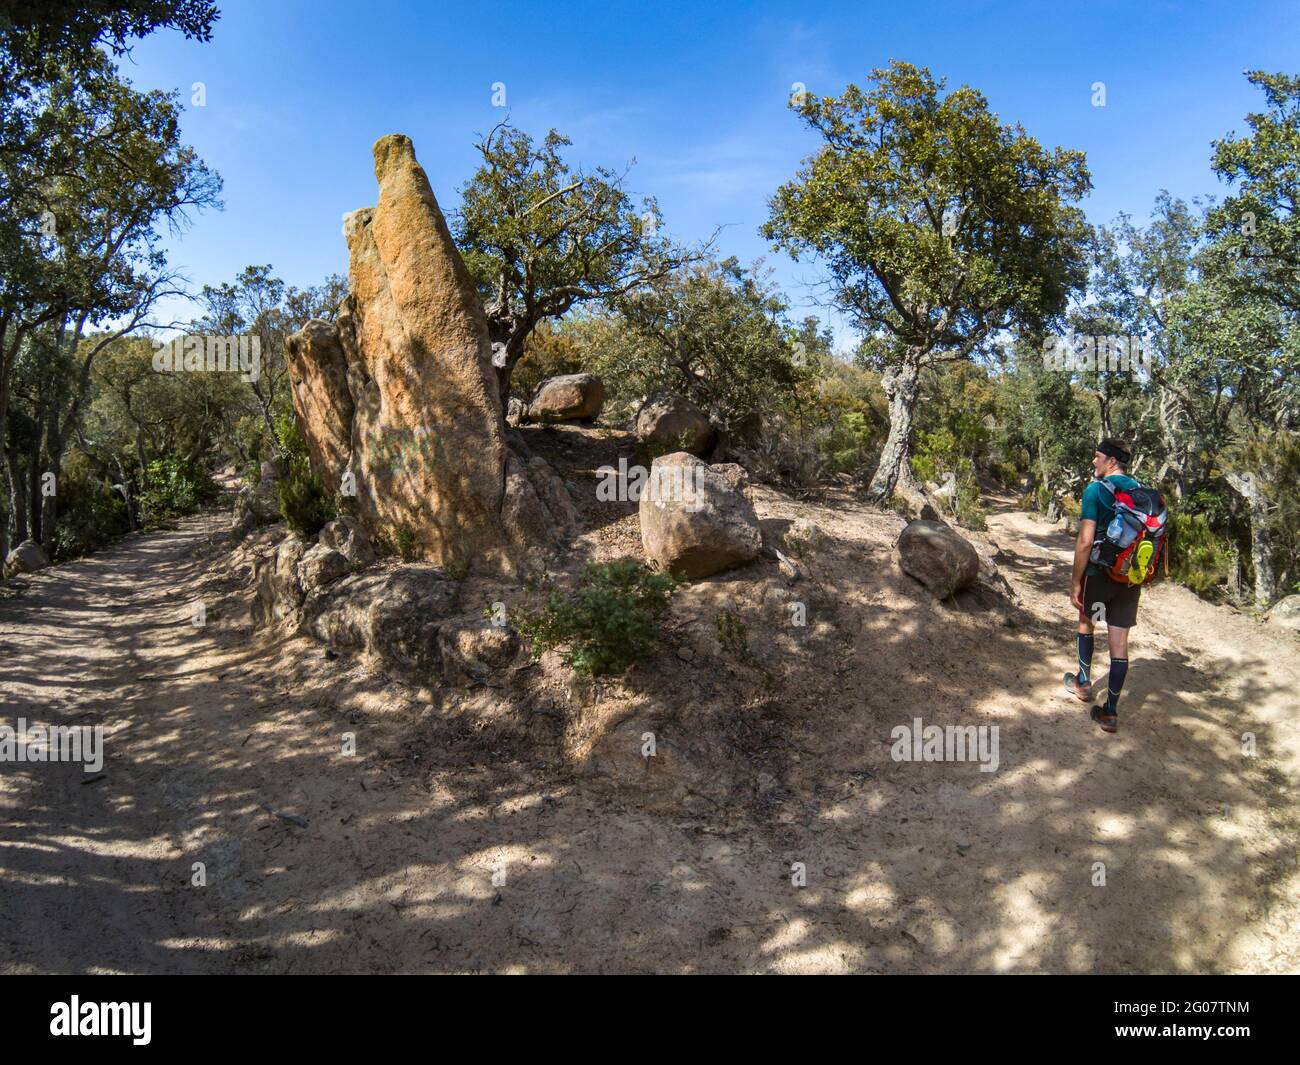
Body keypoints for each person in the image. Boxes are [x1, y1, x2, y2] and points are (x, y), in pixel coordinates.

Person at [1064, 438, 1141, 733]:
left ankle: (1083, 683)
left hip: (1098, 576)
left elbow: (1085, 541)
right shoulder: (1140, 492)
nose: (1093, 462)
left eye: (1097, 457)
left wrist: (1075, 581)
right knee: (1119, 643)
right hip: (1129, 580)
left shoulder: (1096, 490)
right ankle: (1109, 712)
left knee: (1088, 623)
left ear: (1111, 460)